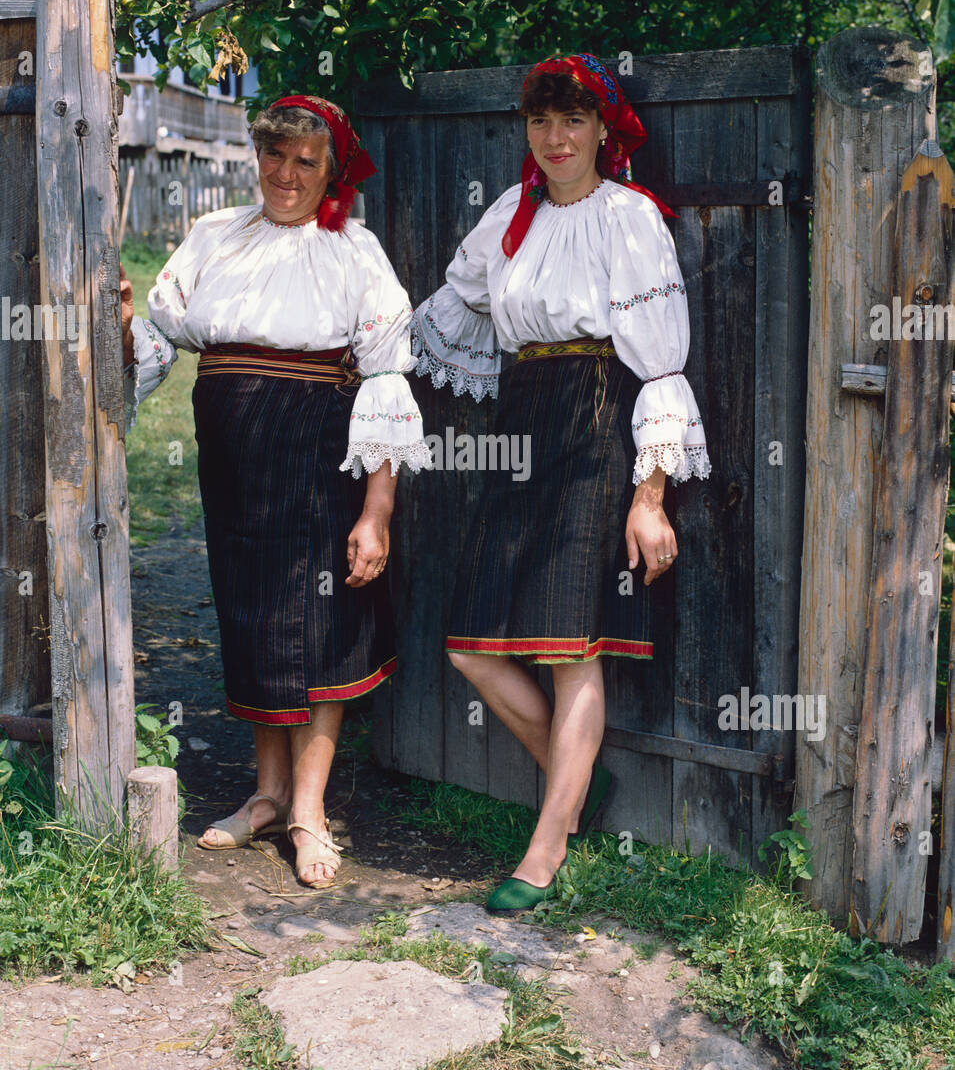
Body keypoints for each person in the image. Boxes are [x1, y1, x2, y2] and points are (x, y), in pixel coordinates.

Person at [411, 53, 711, 914]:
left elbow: (660, 365)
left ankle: (544, 850)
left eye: (572, 121)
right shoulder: (512, 213)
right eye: (542, 122)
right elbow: (456, 300)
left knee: (569, 649)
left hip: (594, 422)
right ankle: (573, 790)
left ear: (601, 131)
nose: (555, 138)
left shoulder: (629, 219)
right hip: (518, 420)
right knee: (470, 644)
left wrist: (648, 497)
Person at [120, 94, 430, 887]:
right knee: (254, 617)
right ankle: (263, 796)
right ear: (255, 154)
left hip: (320, 454)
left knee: (318, 626)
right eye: (274, 155)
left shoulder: (353, 251)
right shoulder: (213, 236)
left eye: (305, 162)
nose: (284, 174)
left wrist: (377, 511)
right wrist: (123, 328)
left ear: (330, 173)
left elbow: (387, 380)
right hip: (232, 459)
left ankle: (309, 812)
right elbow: (159, 341)